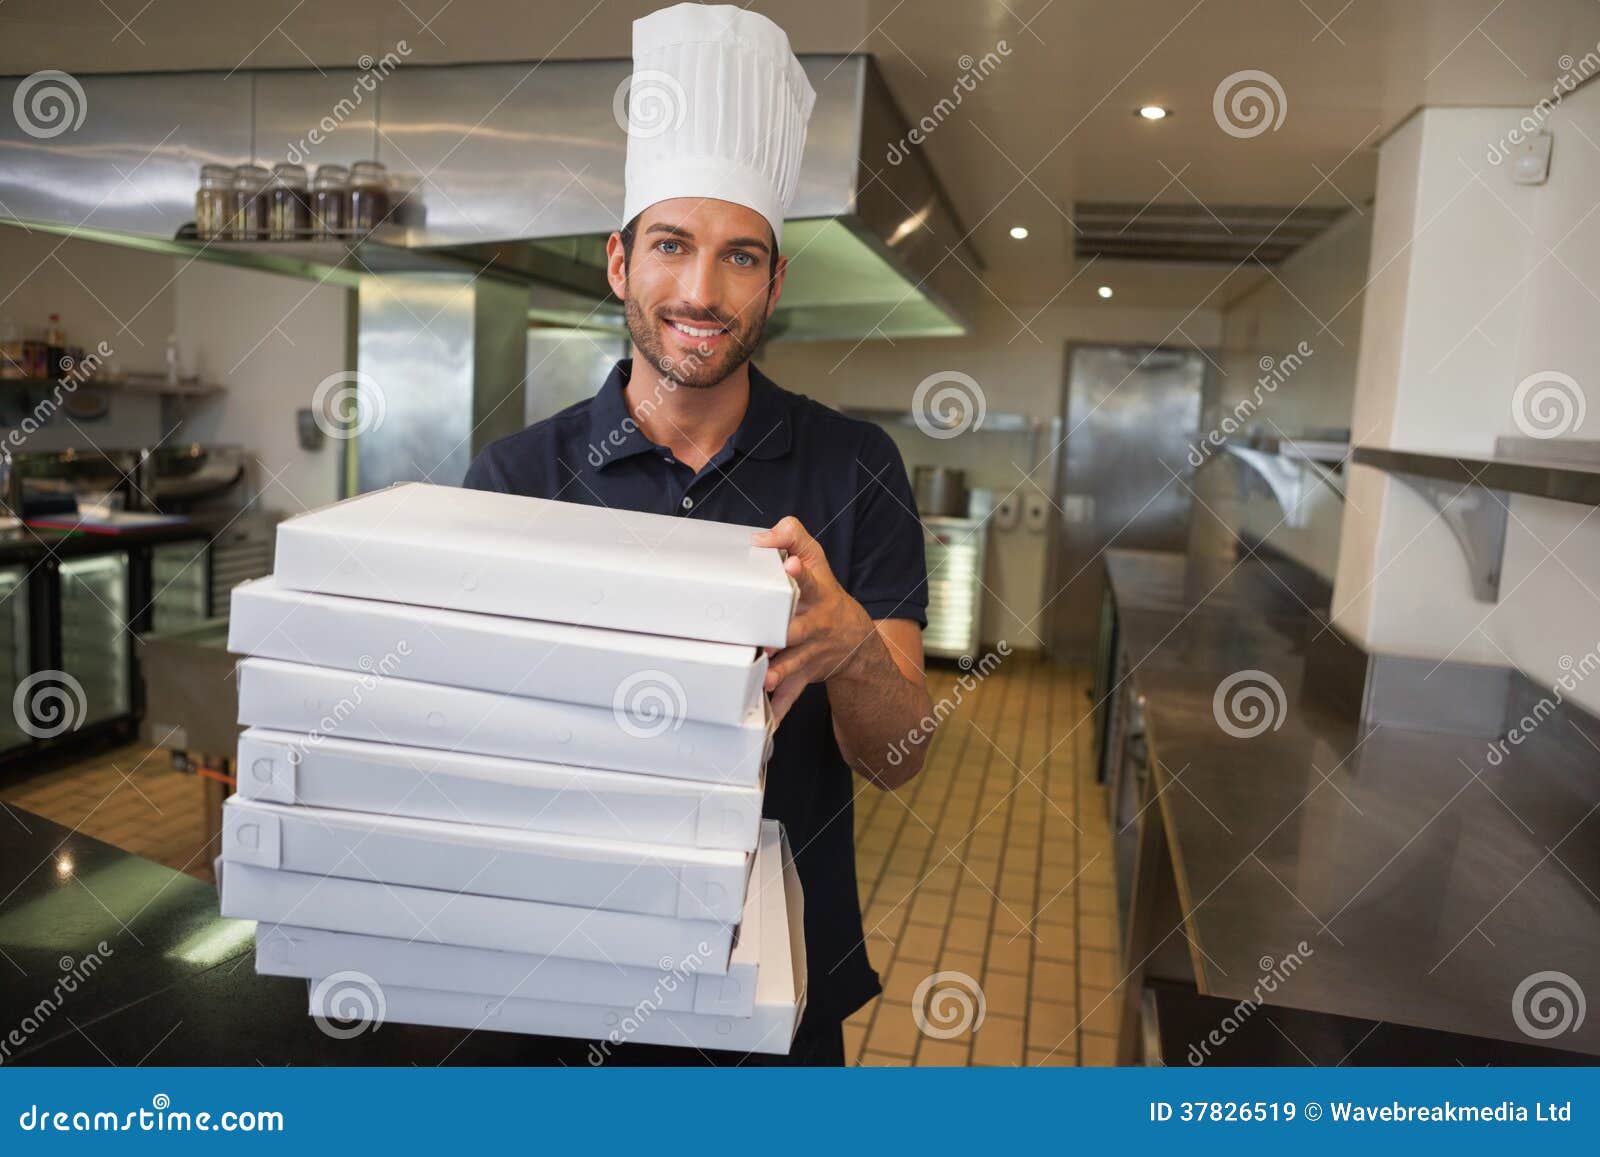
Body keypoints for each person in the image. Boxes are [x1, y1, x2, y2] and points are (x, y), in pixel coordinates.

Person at [462, 2, 934, 1066]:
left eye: (739, 257)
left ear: (773, 283)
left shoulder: (854, 467)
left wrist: (851, 639)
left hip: (776, 972)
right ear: (620, 262)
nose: (701, 292)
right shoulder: (516, 479)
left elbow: (901, 756)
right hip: (555, 969)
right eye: (672, 246)